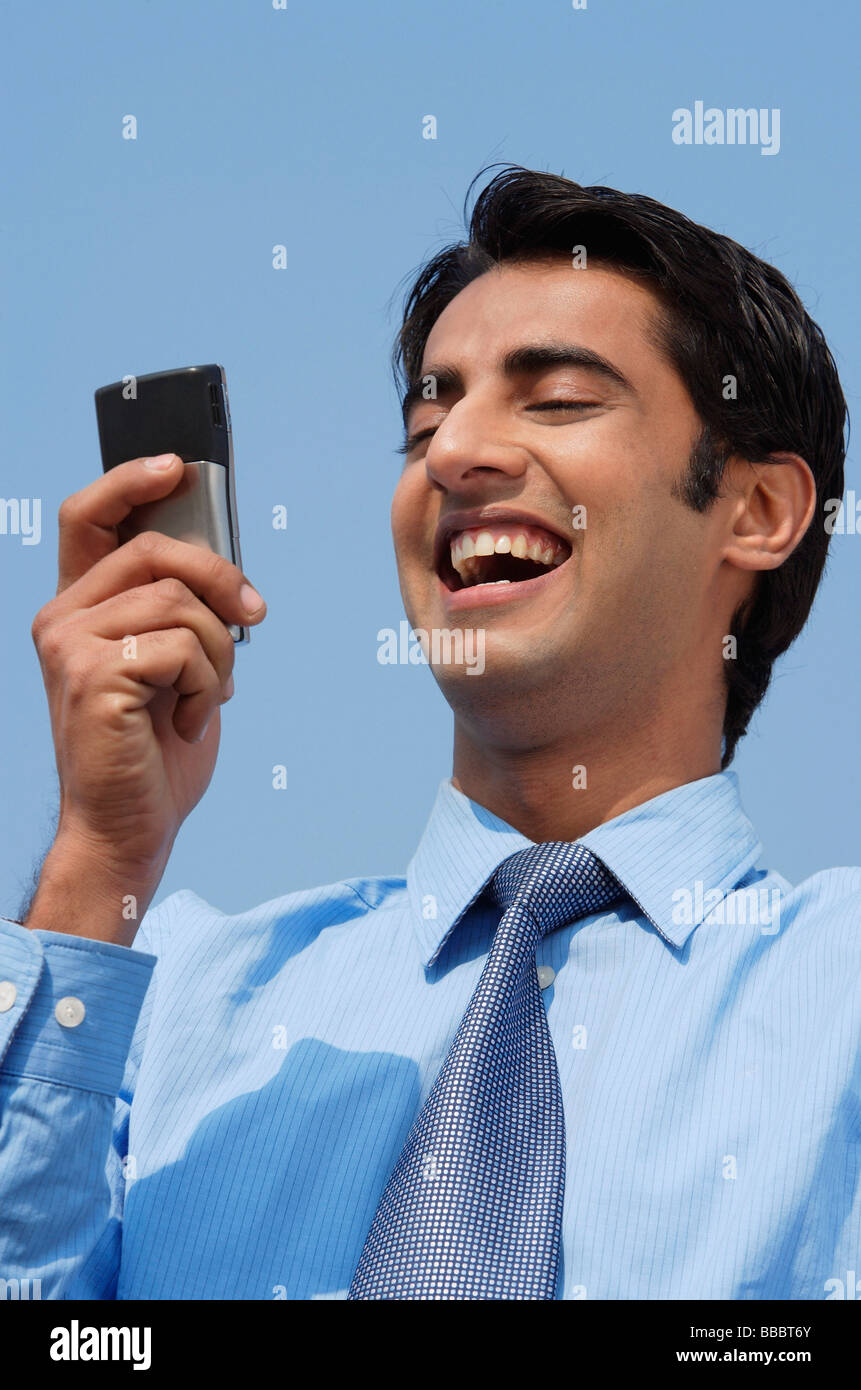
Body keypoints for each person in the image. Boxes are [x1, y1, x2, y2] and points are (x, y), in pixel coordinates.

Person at [0, 166, 856, 1301]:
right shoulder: (171, 1001)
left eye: (555, 400)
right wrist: (96, 864)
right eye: (426, 418)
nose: (453, 453)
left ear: (756, 511)